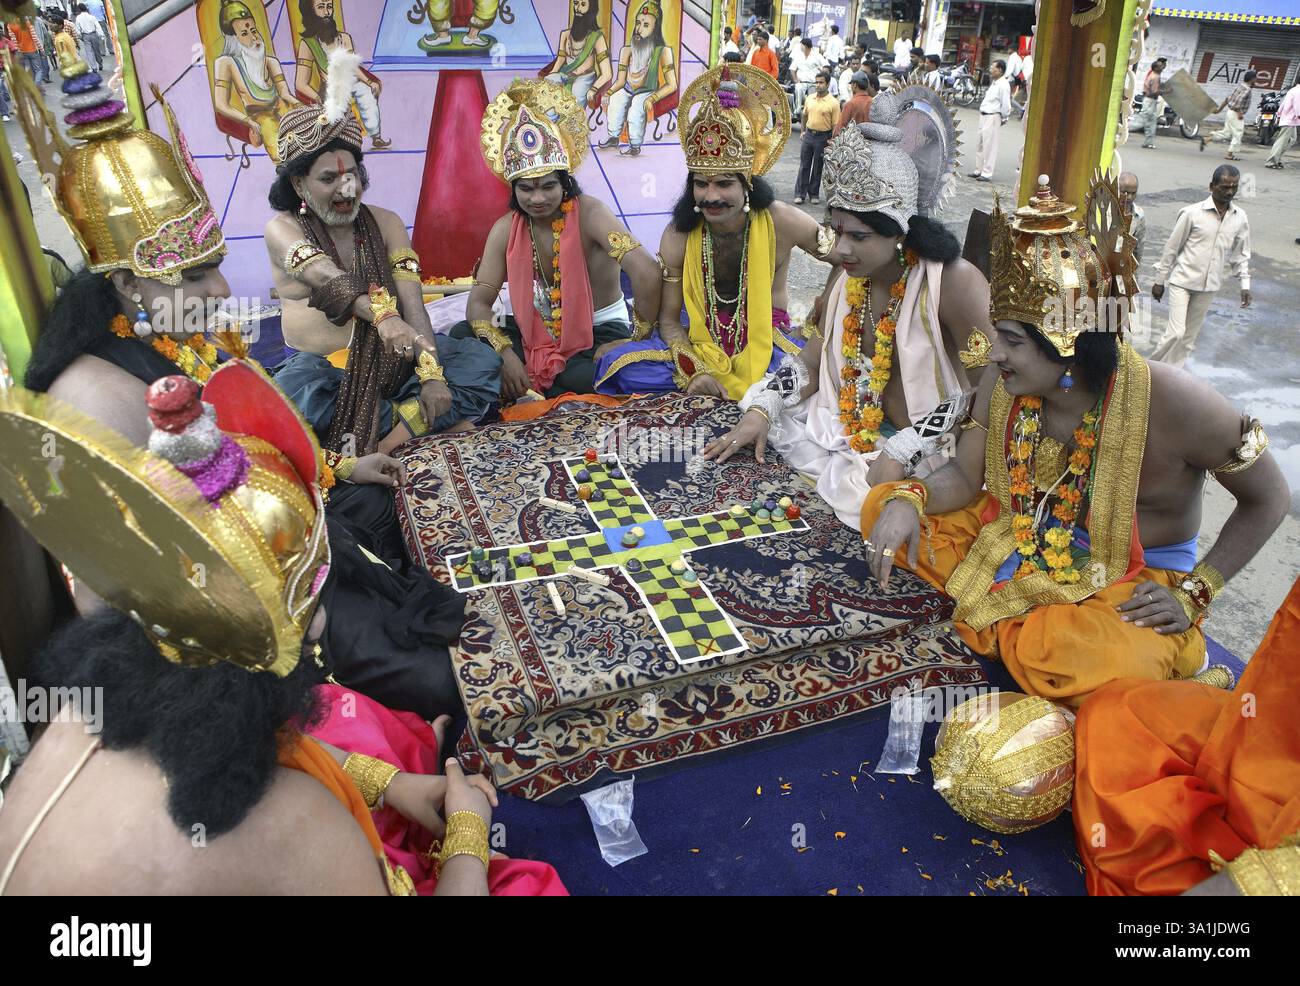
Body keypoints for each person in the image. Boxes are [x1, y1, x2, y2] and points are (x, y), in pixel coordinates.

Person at [15, 65, 469, 721]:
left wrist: (339, 468)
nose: (222, 293)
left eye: (217, 268)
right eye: (194, 276)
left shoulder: (168, 337)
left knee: (385, 505)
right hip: (250, 612)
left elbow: (248, 457)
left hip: (283, 538)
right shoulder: (97, 397)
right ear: (127, 286)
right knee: (443, 679)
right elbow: (128, 595)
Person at [0, 372, 566, 896]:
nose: (322, 620)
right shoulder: (294, 826)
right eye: (316, 601)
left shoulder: (83, 716)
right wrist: (469, 833)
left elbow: (258, 735)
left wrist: (391, 785)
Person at [862, 173, 1289, 709]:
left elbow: (1269, 498)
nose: (993, 355)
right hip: (1019, 534)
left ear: (1068, 350)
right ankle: (1035, 622)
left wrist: (1197, 590)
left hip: (1135, 572)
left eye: (1013, 342)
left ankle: (1178, 654)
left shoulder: (1179, 403)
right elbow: (967, 479)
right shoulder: (1006, 380)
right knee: (885, 509)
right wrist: (910, 497)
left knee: (1068, 656)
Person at [704, 87, 991, 531]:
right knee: (753, 430)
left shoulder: (954, 283)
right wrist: (765, 407)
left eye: (858, 236)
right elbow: (816, 356)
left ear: (900, 232)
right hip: (845, 423)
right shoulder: (846, 272)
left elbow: (990, 387)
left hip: (934, 446)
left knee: (875, 510)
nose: (839, 249)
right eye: (837, 231)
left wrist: (907, 447)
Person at [265, 58, 500, 456]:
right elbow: (323, 275)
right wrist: (383, 317)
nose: (347, 189)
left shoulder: (387, 223)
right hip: (328, 373)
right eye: (328, 179)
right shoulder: (282, 228)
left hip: (399, 363)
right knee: (292, 398)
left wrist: (431, 376)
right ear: (298, 184)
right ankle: (424, 427)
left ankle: (392, 438)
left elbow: (412, 302)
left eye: (352, 174)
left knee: (480, 361)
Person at [594, 64, 834, 400]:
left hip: (768, 341)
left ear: (747, 183)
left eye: (724, 184)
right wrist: (694, 372)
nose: (711, 196)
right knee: (618, 366)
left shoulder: (783, 221)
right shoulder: (679, 234)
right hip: (699, 341)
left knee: (816, 373)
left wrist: (827, 314)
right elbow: (670, 322)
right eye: (701, 184)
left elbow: (846, 257)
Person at [1072, 576, 1300, 897]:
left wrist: (1259, 882)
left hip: (1277, 847)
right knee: (1114, 710)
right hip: (1246, 738)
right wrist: (1190, 594)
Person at [451, 79, 660, 403]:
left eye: (547, 186)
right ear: (513, 189)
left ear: (565, 183)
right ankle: (528, 378)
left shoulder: (591, 215)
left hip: (598, 334)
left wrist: (636, 340)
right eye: (526, 188)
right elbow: (478, 304)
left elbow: (646, 271)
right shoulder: (506, 228)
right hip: (535, 332)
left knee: (597, 372)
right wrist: (505, 351)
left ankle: (528, 385)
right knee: (461, 335)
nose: (537, 198)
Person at [1150, 165, 1251, 368]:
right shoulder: (1191, 213)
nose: (1229, 192)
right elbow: (1172, 248)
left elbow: (1241, 254)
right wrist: (1159, 280)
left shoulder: (1240, 217)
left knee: (1187, 340)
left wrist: (1245, 284)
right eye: (1224, 187)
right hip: (1182, 282)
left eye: (1234, 187)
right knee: (1176, 333)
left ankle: (1171, 376)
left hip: (1208, 287)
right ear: (1212, 187)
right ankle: (1148, 370)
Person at [293, 0, 389, 150]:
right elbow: (300, 83)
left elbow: (352, 66)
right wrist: (319, 99)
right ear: (311, 12)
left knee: (365, 92)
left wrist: (369, 83)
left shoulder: (344, 38)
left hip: (350, 81)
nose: (326, 12)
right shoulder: (308, 44)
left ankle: (376, 136)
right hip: (329, 88)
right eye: (321, 7)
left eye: (329, 7)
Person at [212, 0, 301, 161]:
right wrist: (248, 122)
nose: (254, 38)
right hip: (260, 118)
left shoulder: (271, 62)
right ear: (232, 38)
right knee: (282, 156)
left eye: (254, 30)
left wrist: (302, 108)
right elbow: (220, 104)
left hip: (283, 109)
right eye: (245, 34)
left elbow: (285, 94)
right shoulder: (226, 63)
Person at [599, 0, 677, 157]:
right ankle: (613, 137)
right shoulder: (626, 51)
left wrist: (653, 98)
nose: (639, 29)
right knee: (615, 100)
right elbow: (620, 81)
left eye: (646, 25)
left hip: (647, 91)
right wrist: (608, 93)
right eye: (638, 23)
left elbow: (672, 85)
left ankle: (635, 146)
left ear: (655, 29)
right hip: (627, 88)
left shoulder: (663, 51)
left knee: (636, 108)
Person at [543, 0, 612, 110]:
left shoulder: (597, 37)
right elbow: (561, 59)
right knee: (547, 85)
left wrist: (594, 89)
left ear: (591, 8)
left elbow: (607, 74)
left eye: (583, 4)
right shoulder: (565, 35)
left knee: (576, 96)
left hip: (585, 77)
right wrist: (552, 74)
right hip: (565, 74)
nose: (578, 8)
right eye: (576, 3)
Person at [793, 72, 837, 205]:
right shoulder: (809, 98)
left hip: (823, 137)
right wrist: (802, 131)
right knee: (804, 166)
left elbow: (835, 124)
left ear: (828, 84)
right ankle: (800, 194)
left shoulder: (833, 103)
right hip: (809, 135)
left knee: (818, 167)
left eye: (821, 82)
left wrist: (832, 140)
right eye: (816, 82)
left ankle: (814, 194)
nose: (818, 85)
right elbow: (804, 114)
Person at [969, 59, 1010, 182]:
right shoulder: (995, 83)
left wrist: (1004, 117)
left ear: (1000, 70)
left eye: (993, 67)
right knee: (980, 144)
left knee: (989, 146)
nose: (990, 69)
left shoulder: (1003, 85)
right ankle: (978, 170)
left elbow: (1006, 105)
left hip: (993, 116)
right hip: (984, 115)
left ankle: (987, 173)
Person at [1201, 70, 1255, 161]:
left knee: (1227, 133)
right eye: (1255, 79)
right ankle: (1229, 154)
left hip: (1230, 112)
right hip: (1235, 114)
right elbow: (1239, 101)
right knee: (1238, 133)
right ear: (1252, 79)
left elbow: (1228, 99)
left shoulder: (1240, 87)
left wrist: (1219, 109)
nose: (1256, 81)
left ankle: (1207, 139)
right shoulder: (1247, 89)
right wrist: (1239, 113)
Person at [1265, 72, 1299, 169]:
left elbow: (1284, 103)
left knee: (1291, 139)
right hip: (1290, 120)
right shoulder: (1298, 91)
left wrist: (1279, 114)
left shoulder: (1293, 90)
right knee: (1282, 141)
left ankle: (1277, 158)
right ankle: (1271, 162)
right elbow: (1297, 106)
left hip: (1290, 120)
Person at [790, 36, 828, 118]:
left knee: (813, 97)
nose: (800, 47)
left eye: (801, 45)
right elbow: (792, 69)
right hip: (801, 82)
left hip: (813, 83)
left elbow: (826, 66)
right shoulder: (798, 56)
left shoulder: (817, 56)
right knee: (798, 88)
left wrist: (821, 70)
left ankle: (812, 113)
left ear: (805, 46)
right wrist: (795, 80)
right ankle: (797, 110)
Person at [9, 17, 50, 85]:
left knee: (30, 70)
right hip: (33, 50)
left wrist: (18, 51)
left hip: (22, 51)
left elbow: (14, 40)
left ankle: (33, 87)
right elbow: (35, 38)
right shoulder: (28, 23)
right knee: (38, 70)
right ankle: (36, 86)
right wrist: (41, 50)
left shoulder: (11, 25)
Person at [833, 70, 873, 137]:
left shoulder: (851, 104)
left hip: (854, 144)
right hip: (871, 143)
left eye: (851, 84)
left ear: (855, 85)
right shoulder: (873, 102)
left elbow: (840, 128)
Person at [1138, 57, 1166, 149]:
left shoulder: (1153, 75)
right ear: (1156, 68)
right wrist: (1166, 91)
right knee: (1147, 122)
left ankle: (1149, 142)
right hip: (1150, 100)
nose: (1163, 67)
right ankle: (1148, 142)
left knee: (1151, 122)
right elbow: (1153, 92)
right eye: (1161, 66)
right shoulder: (1155, 77)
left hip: (1151, 101)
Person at [1118, 171, 1145, 265]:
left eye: (1133, 193)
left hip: (1122, 268)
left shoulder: (1138, 215)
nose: (1129, 197)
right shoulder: (1105, 210)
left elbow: (1138, 249)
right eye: (1125, 192)